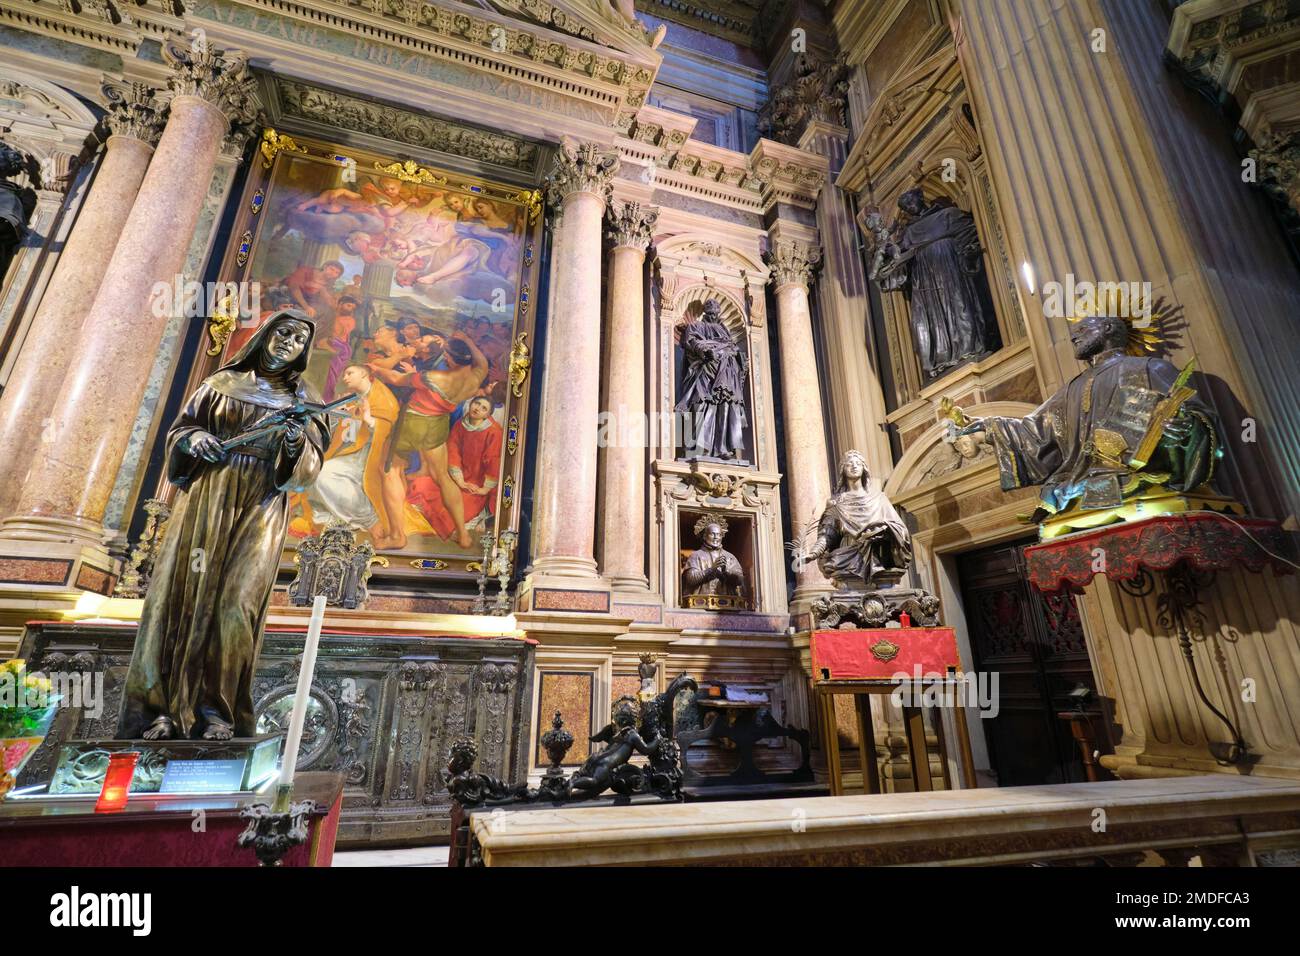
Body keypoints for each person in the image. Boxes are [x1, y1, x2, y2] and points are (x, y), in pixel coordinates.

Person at [118, 311, 330, 741]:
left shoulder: (305, 403)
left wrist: (292, 442)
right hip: (207, 497)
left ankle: (219, 713)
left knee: (237, 604)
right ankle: (159, 711)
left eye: (299, 339)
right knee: (180, 596)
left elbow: (304, 472)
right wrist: (194, 439)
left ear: (304, 351)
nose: (288, 342)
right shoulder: (220, 385)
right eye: (283, 332)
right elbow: (181, 434)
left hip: (261, 506)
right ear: (266, 336)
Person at [957, 313, 1218, 527]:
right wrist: (987, 428)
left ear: (1106, 327)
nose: (1073, 336)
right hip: (1083, 488)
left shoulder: (1148, 369)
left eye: (1082, 328)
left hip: (1136, 482)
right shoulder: (1071, 388)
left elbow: (1195, 415)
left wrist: (1184, 428)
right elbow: (1035, 430)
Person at [369, 332, 488, 548]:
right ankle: (463, 535)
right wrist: (470, 341)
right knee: (442, 476)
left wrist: (376, 369)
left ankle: (397, 536)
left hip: (413, 424)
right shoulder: (475, 378)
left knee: (389, 470)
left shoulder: (435, 377)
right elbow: (482, 362)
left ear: (450, 358)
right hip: (437, 426)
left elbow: (396, 379)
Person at [300, 365, 401, 545]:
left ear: (364, 374)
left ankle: (370, 520)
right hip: (349, 453)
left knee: (323, 475)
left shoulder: (383, 398)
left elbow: (384, 430)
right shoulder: (356, 397)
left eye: (349, 373)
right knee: (315, 471)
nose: (344, 377)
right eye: (344, 373)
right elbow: (346, 434)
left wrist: (369, 418)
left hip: (368, 456)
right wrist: (340, 415)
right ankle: (331, 519)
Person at [807, 450, 912, 589]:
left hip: (877, 553)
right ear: (843, 470)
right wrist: (813, 553)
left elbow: (901, 529)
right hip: (848, 555)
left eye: (858, 463)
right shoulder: (836, 503)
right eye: (849, 464)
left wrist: (884, 529)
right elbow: (828, 535)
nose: (854, 466)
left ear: (864, 468)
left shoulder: (879, 499)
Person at [406, 396, 503, 540]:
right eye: (477, 403)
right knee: (421, 485)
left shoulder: (494, 432)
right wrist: (460, 481)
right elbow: (453, 451)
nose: (477, 408)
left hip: (477, 485)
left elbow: (494, 462)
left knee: (450, 513)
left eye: (484, 408)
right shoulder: (460, 424)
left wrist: (484, 489)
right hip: (457, 478)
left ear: (488, 415)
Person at [682, 516, 746, 605]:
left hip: (727, 604)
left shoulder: (730, 557)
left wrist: (726, 572)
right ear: (705, 536)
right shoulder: (696, 556)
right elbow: (690, 579)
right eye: (712, 534)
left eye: (719, 534)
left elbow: (740, 581)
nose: (716, 537)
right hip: (701, 603)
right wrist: (712, 569)